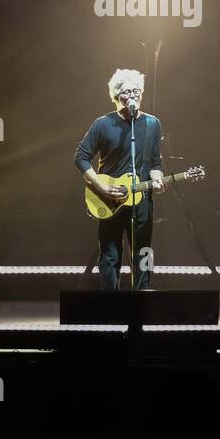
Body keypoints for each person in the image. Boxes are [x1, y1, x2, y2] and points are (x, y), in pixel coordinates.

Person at [75, 68, 164, 290]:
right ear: (116, 96)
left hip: (142, 201)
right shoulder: (103, 124)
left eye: (137, 90)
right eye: (127, 91)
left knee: (143, 252)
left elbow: (155, 161)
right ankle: (111, 307)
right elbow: (81, 157)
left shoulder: (153, 124)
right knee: (110, 254)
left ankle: (141, 303)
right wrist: (101, 187)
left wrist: (158, 177)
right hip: (109, 198)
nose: (133, 95)